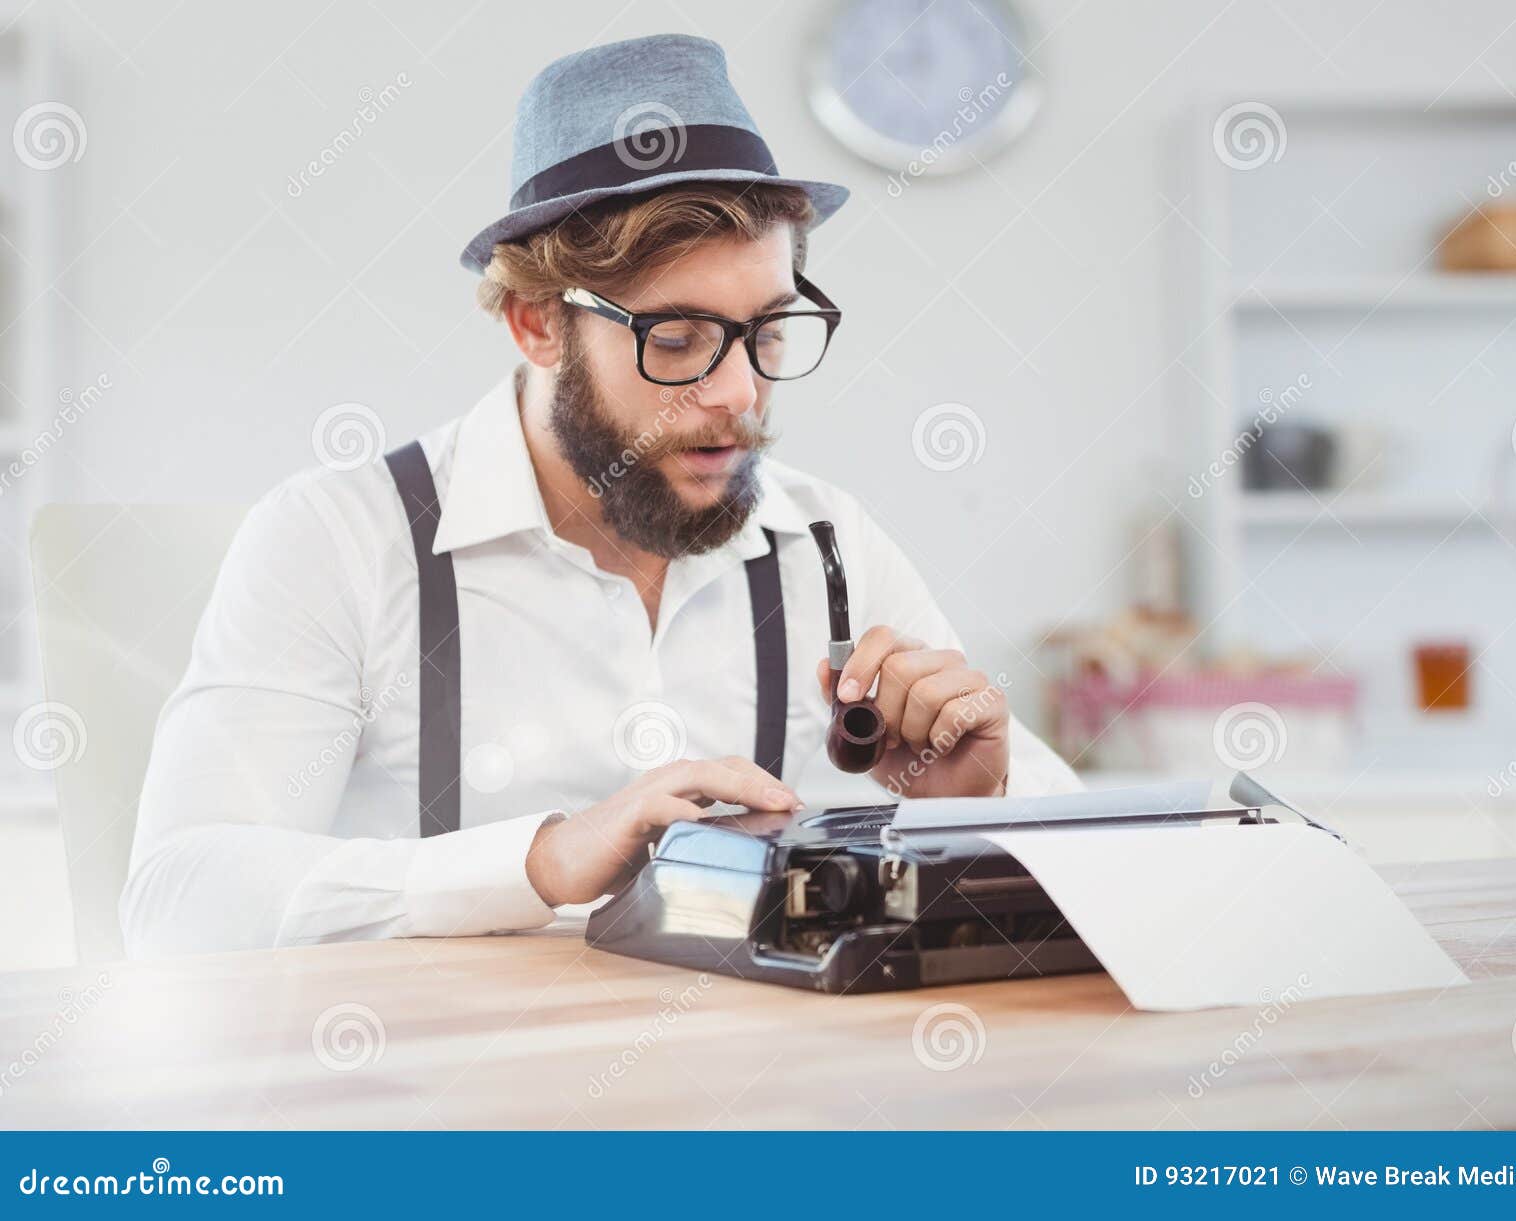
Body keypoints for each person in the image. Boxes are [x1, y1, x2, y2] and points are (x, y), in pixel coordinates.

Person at [121, 33, 1080, 956]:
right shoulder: (337, 538)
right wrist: (539, 860)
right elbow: (180, 898)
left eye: (769, 330)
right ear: (538, 323)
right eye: (677, 340)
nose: (739, 392)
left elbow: (1090, 857)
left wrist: (961, 818)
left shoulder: (827, 538)